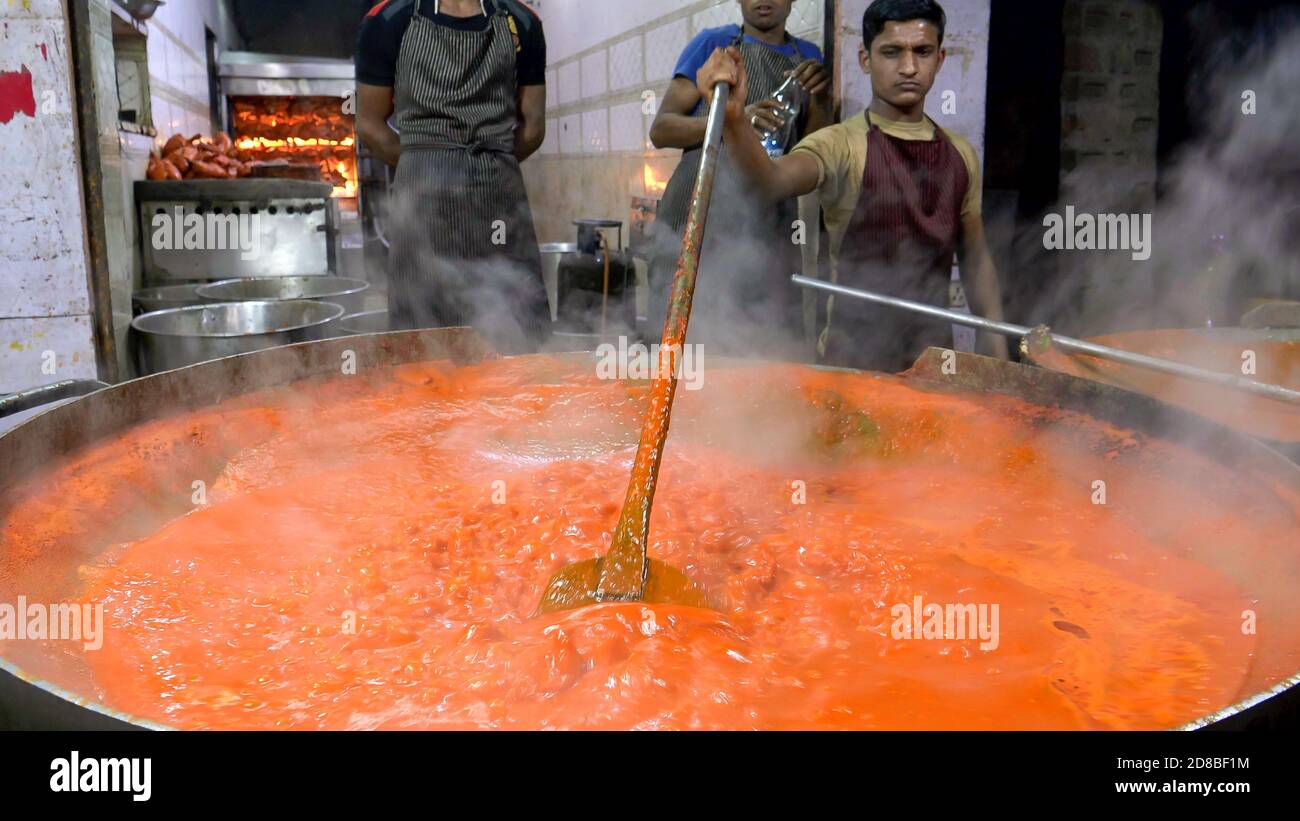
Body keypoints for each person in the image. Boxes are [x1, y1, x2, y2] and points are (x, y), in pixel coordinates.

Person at [694, 0, 1010, 372]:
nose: (908, 67)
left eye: (922, 52)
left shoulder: (961, 154)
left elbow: (975, 260)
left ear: (940, 59)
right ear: (865, 58)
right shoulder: (839, 144)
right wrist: (733, 121)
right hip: (852, 363)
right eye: (891, 52)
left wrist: (997, 349)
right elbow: (768, 182)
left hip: (936, 363)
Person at [355, 0, 550, 353]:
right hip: (423, 204)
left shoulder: (522, 22)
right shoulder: (387, 20)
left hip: (498, 197)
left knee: (517, 339)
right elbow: (369, 123)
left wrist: (490, 162)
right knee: (423, 342)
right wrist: (426, 163)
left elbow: (534, 126)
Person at [647, 0, 831, 358]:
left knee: (761, 346)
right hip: (695, 210)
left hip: (767, 222)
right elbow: (662, 129)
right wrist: (731, 120)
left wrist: (822, 100)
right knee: (681, 342)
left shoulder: (809, 58)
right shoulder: (712, 45)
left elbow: (812, 148)